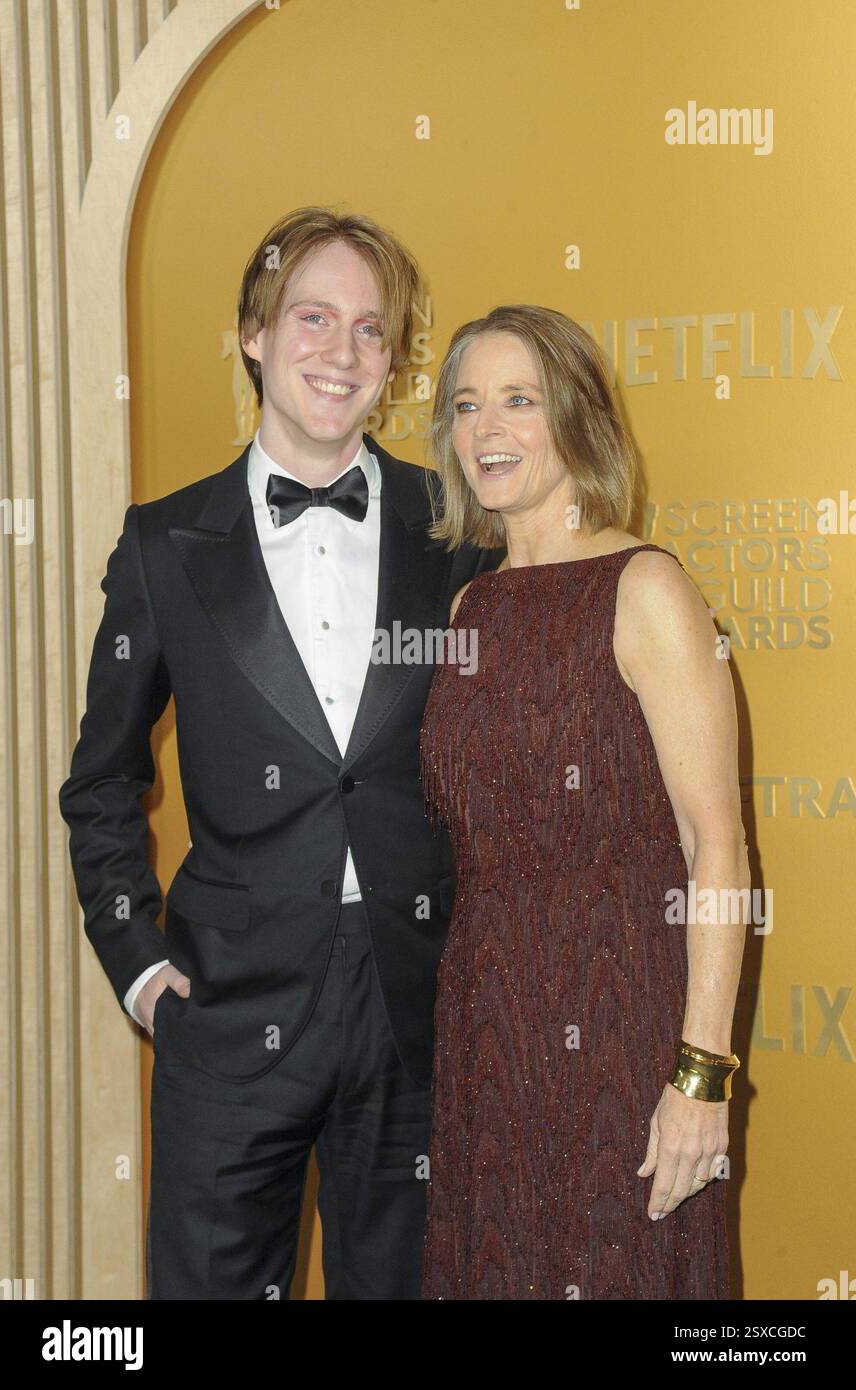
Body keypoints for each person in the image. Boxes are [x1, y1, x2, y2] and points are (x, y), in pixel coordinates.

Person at [58, 207, 502, 1300]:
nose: (340, 353)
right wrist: (143, 973)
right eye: (312, 318)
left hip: (414, 1009)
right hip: (224, 1004)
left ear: (392, 359)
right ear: (254, 334)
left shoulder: (456, 530)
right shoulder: (163, 543)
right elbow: (103, 780)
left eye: (368, 330)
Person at [418, 304, 749, 1299]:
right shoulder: (470, 607)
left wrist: (700, 1074)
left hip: (619, 1026)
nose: (488, 428)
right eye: (468, 404)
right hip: (487, 1037)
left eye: (519, 399)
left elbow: (717, 848)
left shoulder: (644, 587)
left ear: (574, 417)